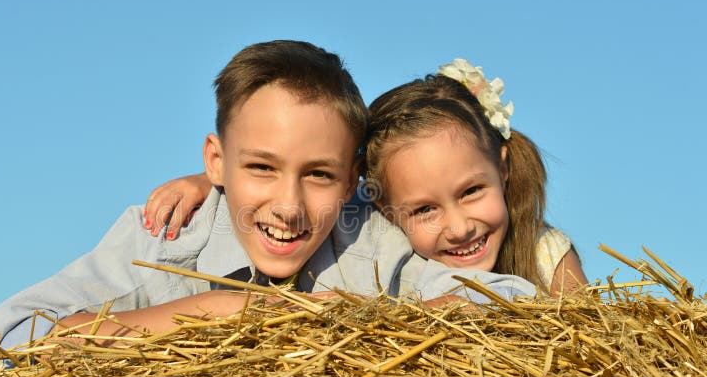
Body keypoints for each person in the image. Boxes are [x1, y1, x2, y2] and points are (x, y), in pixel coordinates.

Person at [0, 43, 534, 350]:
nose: (288, 207)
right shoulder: (167, 236)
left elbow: (511, 301)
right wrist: (235, 309)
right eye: (262, 168)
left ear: (351, 181)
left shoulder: (366, 239)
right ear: (216, 162)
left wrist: (373, 319)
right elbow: (13, 335)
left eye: (318, 175)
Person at [144, 59, 586, 296]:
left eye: (471, 191)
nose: (459, 227)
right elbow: (321, 181)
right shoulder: (379, 242)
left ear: (503, 168)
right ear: (379, 202)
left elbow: (592, 345)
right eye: (426, 209)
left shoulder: (545, 252)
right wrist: (211, 184)